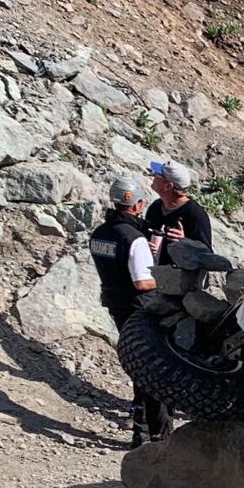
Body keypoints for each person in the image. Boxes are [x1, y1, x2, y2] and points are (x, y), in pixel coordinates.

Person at [90, 176, 172, 447]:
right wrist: (165, 279)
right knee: (152, 368)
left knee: (137, 365)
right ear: (137, 204)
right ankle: (154, 434)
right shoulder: (134, 239)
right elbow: (142, 281)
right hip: (140, 307)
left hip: (116, 305)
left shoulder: (99, 234)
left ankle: (141, 429)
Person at [145, 159, 212, 257]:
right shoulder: (156, 207)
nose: (153, 176)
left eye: (157, 175)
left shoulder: (195, 214)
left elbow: (207, 255)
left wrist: (185, 242)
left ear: (168, 186)